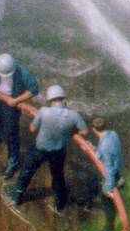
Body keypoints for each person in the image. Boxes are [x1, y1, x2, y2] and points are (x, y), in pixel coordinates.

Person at [5, 85, 87, 216]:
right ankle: (59, 203)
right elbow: (84, 131)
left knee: (27, 170)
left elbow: (32, 129)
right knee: (58, 175)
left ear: (50, 100)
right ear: (63, 99)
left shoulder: (43, 112)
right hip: (58, 151)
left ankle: (17, 196)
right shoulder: (73, 115)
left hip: (40, 149)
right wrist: (68, 131)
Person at [0, 52, 39, 179]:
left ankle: (13, 161)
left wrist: (16, 100)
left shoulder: (22, 73)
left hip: (11, 103)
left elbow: (34, 89)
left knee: (11, 132)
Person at [90, 116, 124, 231]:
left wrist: (108, 189)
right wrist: (95, 149)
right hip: (117, 166)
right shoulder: (113, 134)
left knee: (106, 201)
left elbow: (108, 169)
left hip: (109, 173)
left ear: (94, 129)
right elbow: (110, 150)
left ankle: (109, 228)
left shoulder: (104, 146)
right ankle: (119, 181)